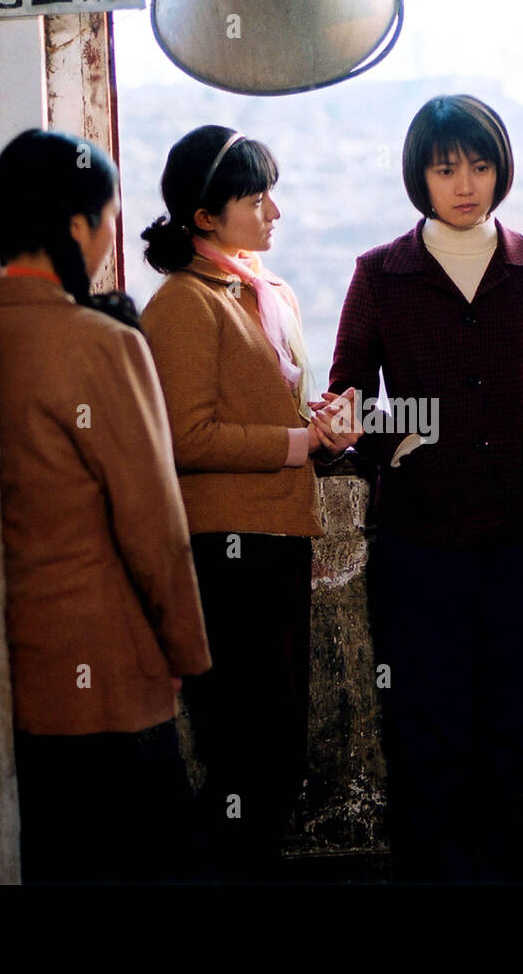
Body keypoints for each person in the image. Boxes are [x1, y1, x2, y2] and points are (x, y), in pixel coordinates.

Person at [328, 94, 523, 882]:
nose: (466, 184)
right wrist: (402, 436)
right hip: (419, 537)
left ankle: (515, 868)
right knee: (427, 723)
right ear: (420, 174)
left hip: (522, 532)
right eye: (447, 168)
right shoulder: (380, 273)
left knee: (516, 719)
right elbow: (349, 394)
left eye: (480, 165)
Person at [0, 128, 212, 883]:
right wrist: (185, 653)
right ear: (77, 224)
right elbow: (155, 529)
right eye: (110, 219)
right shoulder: (98, 343)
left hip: (15, 682)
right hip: (111, 682)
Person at [139, 126, 358, 880]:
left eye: (272, 191)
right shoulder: (180, 304)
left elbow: (278, 413)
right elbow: (185, 438)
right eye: (254, 195)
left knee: (279, 751)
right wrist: (298, 444)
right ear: (204, 215)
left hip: (278, 535)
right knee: (248, 753)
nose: (274, 210)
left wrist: (322, 429)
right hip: (223, 550)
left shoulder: (270, 292)